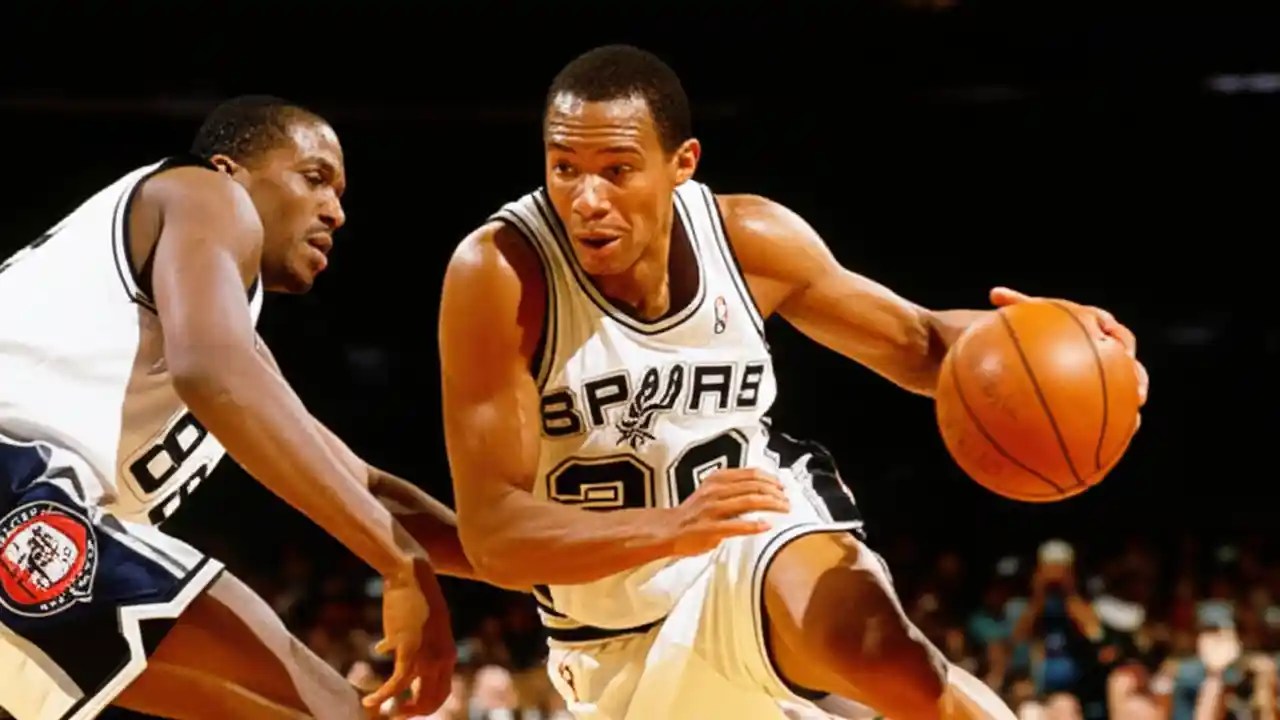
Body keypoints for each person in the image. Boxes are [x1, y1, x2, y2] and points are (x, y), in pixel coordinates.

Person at [439, 45, 1151, 720]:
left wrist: (1071, 349)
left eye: (617, 170)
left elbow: (922, 344)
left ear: (681, 163)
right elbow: (496, 534)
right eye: (564, 168)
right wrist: (673, 527)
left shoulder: (749, 239)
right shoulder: (501, 274)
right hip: (615, 636)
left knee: (887, 658)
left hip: (753, 528)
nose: (586, 198)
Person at [0, 96, 464, 720]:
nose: (336, 210)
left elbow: (362, 486)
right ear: (230, 169)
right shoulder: (207, 196)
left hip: (31, 522)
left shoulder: (218, 330)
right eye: (315, 177)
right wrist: (398, 564)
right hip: (18, 489)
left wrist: (542, 571)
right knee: (332, 710)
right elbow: (213, 374)